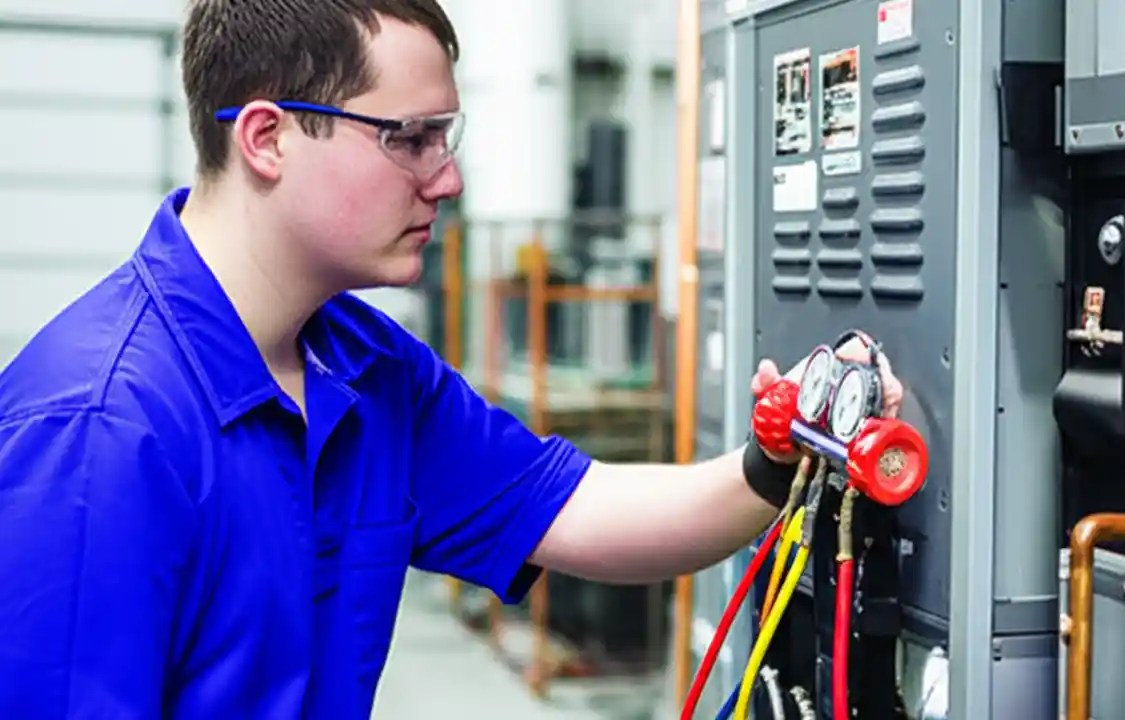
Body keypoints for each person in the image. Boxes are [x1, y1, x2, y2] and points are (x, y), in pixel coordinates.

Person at [0, 1, 903, 718]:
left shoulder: (364, 370)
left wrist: (771, 458)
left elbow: (582, 510)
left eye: (447, 137)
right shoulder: (99, 430)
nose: (449, 177)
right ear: (267, 137)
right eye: (409, 138)